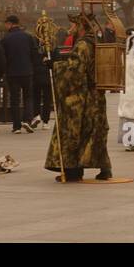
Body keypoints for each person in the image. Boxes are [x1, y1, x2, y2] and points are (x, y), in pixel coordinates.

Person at [45, 12, 112, 181]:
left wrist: (55, 65)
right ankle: (104, 169)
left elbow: (75, 69)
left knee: (74, 131)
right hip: (96, 94)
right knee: (95, 130)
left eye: (73, 25)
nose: (71, 28)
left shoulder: (83, 44)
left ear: (81, 26)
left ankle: (73, 170)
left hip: (84, 96)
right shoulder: (96, 41)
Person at [1, 15, 38, 134]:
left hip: (12, 73)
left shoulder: (5, 39)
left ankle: (16, 126)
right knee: (28, 97)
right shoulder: (28, 37)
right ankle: (27, 120)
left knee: (14, 99)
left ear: (10, 24)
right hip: (27, 71)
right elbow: (34, 53)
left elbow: (3, 57)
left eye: (6, 24)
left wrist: (5, 70)